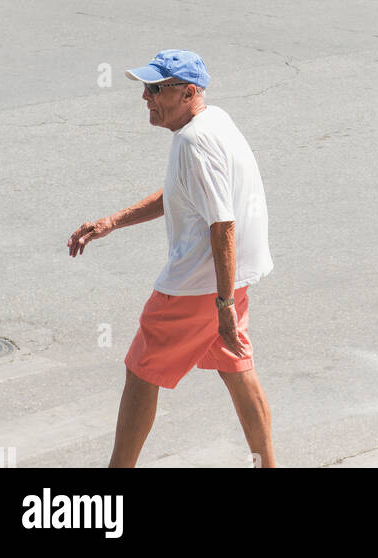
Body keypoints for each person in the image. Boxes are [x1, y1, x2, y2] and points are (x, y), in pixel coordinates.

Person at [67, 49, 276, 468]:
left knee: (141, 370)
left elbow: (223, 225)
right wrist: (113, 221)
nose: (146, 97)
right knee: (237, 367)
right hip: (229, 280)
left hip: (197, 286)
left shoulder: (192, 141)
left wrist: (222, 305)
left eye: (156, 89)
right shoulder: (217, 121)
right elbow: (184, 193)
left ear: (189, 93)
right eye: (146, 88)